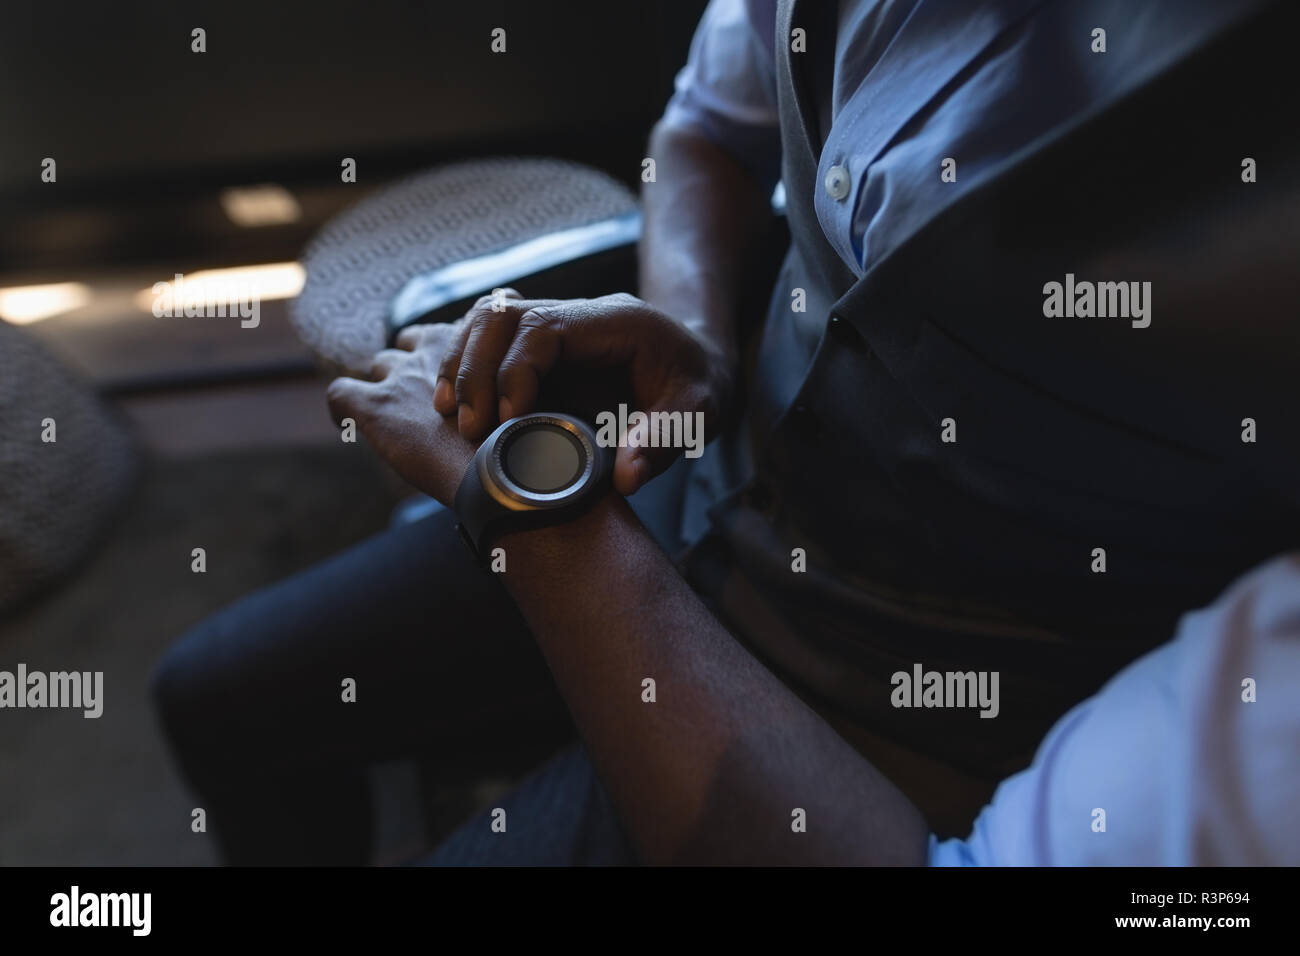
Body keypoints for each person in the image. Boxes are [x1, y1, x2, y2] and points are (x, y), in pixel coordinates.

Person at [154, 0, 1300, 864]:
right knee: (208, 694)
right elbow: (706, 126)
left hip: (905, 724)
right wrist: (694, 339)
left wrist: (522, 510)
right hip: (698, 481)